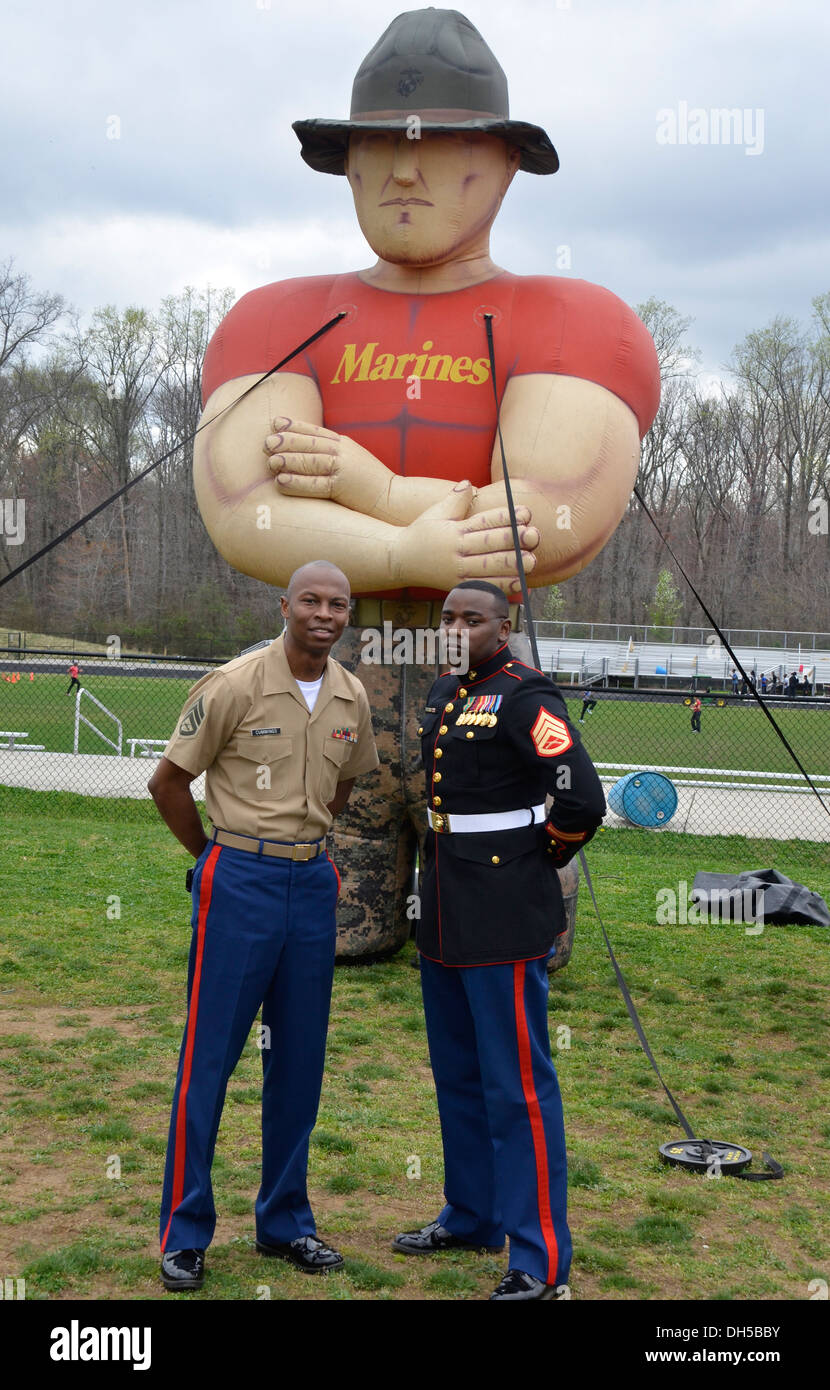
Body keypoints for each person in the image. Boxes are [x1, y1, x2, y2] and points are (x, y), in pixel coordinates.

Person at [192, 7, 661, 960]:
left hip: (483, 691)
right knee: (333, 918)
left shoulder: (572, 317)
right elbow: (245, 512)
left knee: (506, 917)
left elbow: (539, 521)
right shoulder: (277, 317)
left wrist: (365, 483)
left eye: (439, 148)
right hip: (333, 690)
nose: (405, 171)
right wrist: (413, 544)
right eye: (381, 148)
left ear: (501, 164)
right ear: (351, 165)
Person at [147, 561, 379, 1292]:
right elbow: (168, 782)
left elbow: (342, 788)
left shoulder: (351, 696)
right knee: (209, 1060)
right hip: (237, 880)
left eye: (337, 604)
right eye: (310, 600)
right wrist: (216, 856)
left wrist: (297, 845)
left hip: (311, 882)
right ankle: (185, 1232)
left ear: (348, 615)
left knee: (300, 1061)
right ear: (285, 605)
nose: (324, 613)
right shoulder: (234, 684)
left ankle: (286, 1223)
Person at [393, 581, 605, 1300]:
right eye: (447, 617)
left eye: (471, 618)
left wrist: (533, 862)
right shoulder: (445, 690)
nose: (456, 627)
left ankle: (538, 1256)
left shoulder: (525, 694)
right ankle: (473, 1214)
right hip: (447, 906)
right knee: (458, 1075)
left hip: (504, 910)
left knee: (518, 1088)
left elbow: (580, 797)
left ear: (503, 626)